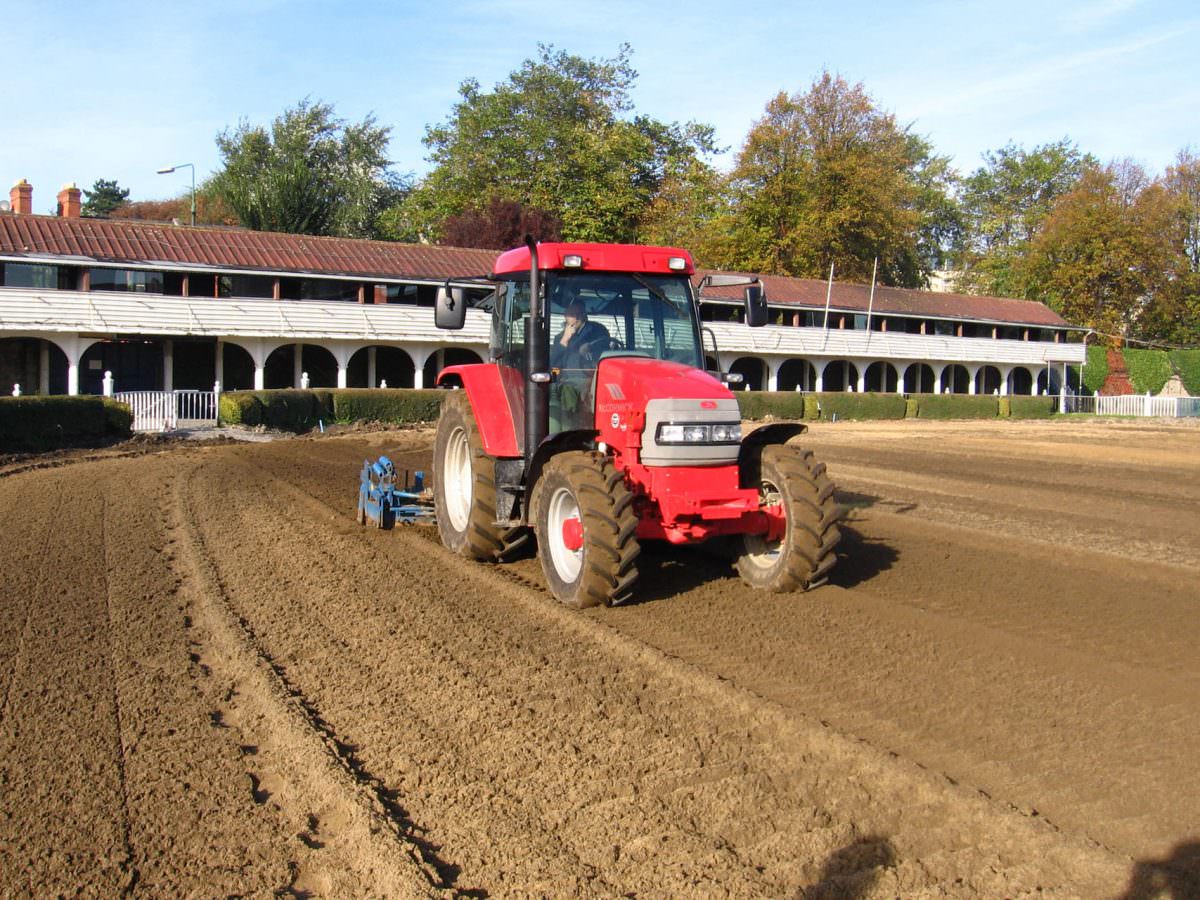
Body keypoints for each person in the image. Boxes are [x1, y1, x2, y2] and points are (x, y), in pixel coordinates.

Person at [550, 300, 610, 369]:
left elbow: (605, 352)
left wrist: (589, 349)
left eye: (579, 313)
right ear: (565, 316)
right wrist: (564, 340)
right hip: (567, 378)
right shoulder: (560, 337)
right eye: (572, 314)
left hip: (593, 374)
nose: (576, 317)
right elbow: (554, 364)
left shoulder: (597, 329)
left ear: (583, 315)